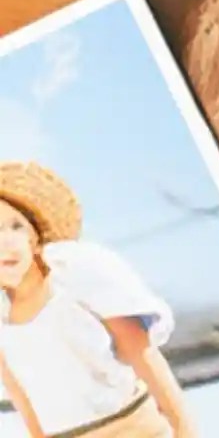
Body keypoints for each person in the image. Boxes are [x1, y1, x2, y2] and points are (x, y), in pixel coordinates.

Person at [0, 161, 195, 437]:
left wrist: (186, 432)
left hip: (134, 427)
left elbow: (142, 355)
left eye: (15, 226)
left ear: (34, 235)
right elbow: (20, 393)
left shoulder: (73, 274)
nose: (6, 241)